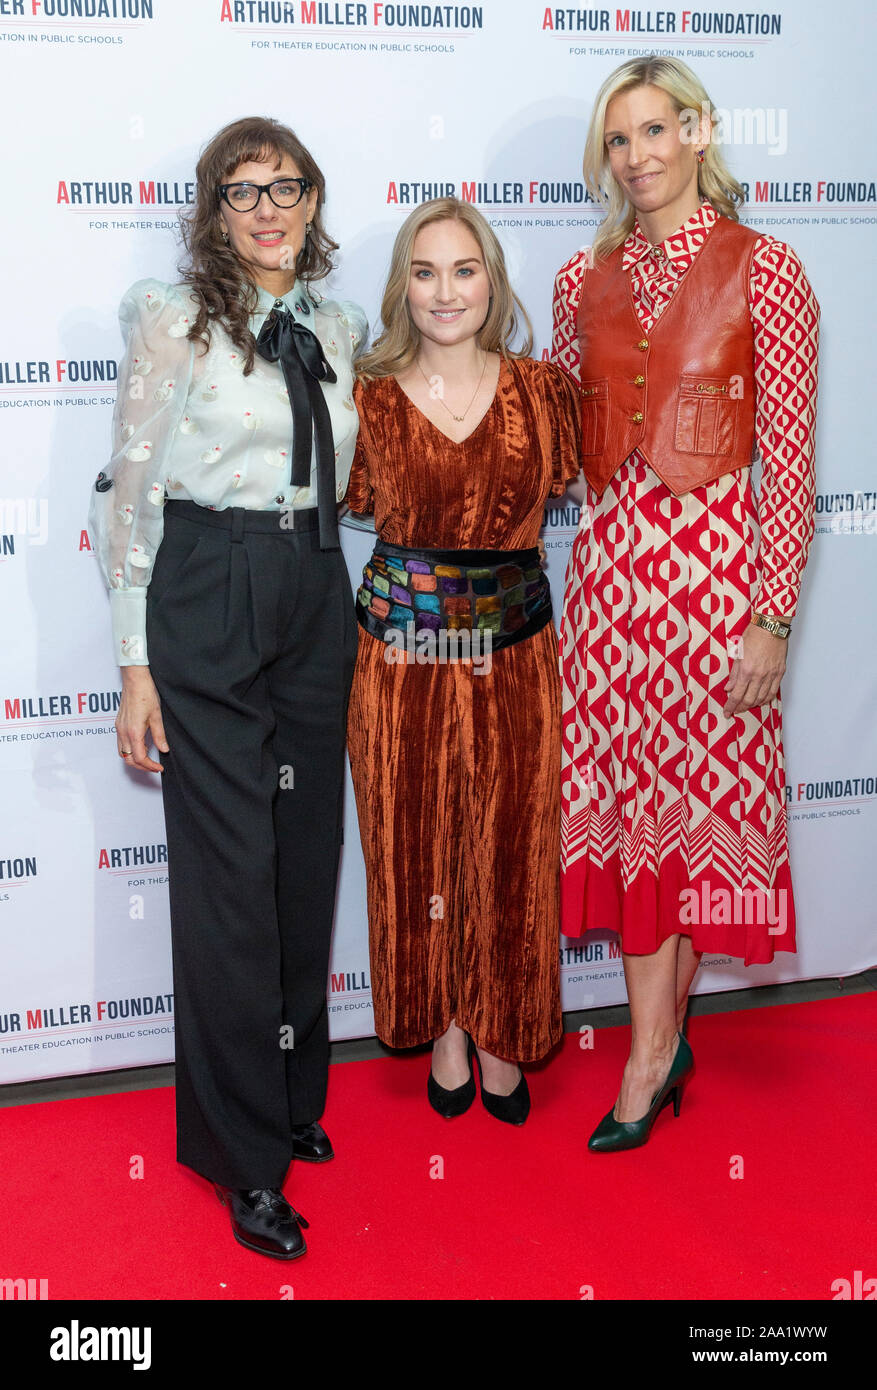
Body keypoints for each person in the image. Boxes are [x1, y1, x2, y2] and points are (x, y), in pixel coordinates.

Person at [89, 116, 366, 1256]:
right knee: (229, 883)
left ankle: (294, 1101)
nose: (267, 207)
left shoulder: (338, 326)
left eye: (285, 186)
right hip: (205, 583)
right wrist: (130, 663)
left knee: (304, 857)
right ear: (212, 209)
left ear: (311, 199)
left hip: (312, 579)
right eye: (241, 190)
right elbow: (129, 493)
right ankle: (241, 1155)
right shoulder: (171, 319)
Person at [552, 57, 819, 1150]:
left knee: (698, 819)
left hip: (717, 583)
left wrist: (773, 612)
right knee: (629, 821)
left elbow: (790, 462)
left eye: (656, 131)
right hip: (609, 589)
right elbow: (569, 438)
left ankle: (651, 1051)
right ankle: (658, 1040)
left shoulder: (770, 272)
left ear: (700, 133)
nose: (638, 157)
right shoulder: (581, 278)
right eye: (619, 140)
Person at [345, 198, 580, 1125]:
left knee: (513, 847)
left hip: (517, 658)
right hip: (399, 660)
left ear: (492, 279)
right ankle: (440, 1025)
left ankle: (500, 1027)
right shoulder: (362, 395)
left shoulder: (544, 391)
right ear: (404, 286)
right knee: (411, 846)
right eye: (426, 272)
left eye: (465, 270)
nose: (447, 292)